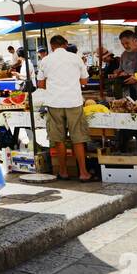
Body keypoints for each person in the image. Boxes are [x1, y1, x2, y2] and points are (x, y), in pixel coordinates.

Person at [37, 34, 93, 182]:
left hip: (54, 103)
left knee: (58, 139)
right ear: (66, 44)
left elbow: (40, 84)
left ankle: (63, 172)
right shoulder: (75, 58)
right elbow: (84, 80)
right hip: (74, 102)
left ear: (51, 46)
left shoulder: (46, 60)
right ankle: (83, 173)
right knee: (78, 138)